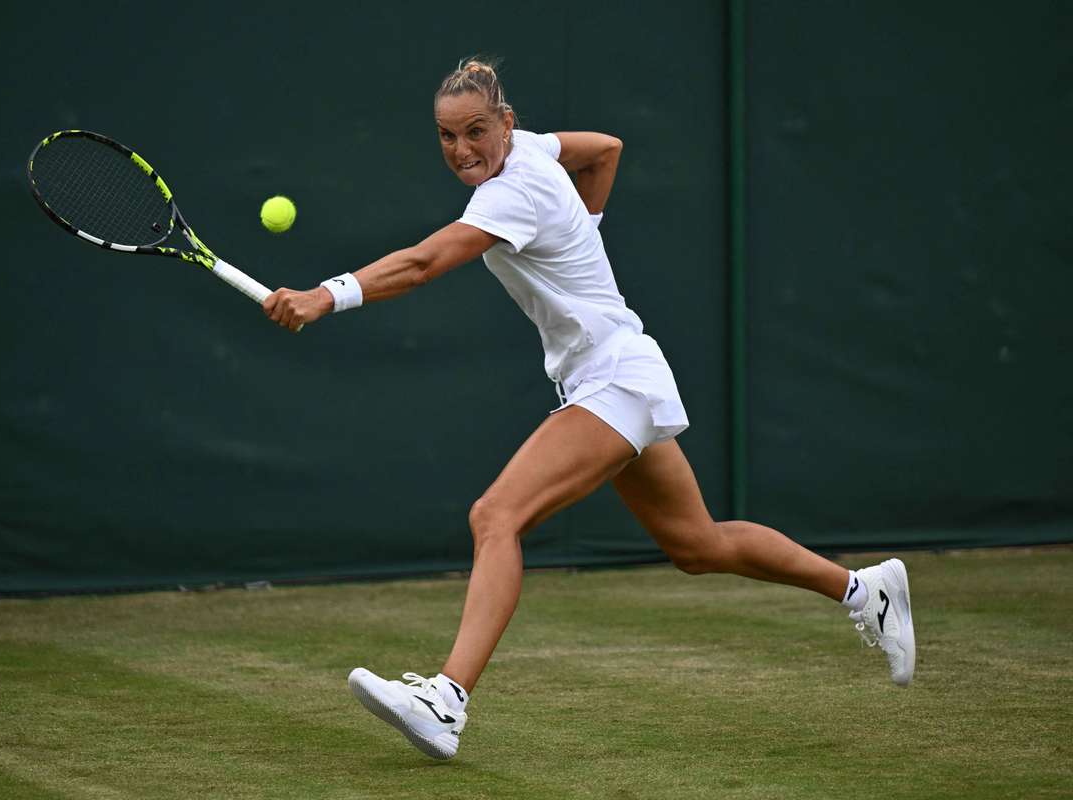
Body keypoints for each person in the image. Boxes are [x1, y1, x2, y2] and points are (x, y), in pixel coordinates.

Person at [261, 57, 916, 761]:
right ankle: (863, 590)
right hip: (614, 376)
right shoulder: (536, 147)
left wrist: (325, 295)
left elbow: (423, 263)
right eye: (447, 137)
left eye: (476, 131)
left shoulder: (510, 193)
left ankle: (446, 700)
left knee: (496, 515)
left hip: (615, 380)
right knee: (697, 545)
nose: (461, 150)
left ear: (504, 123)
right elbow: (606, 149)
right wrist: (587, 229)